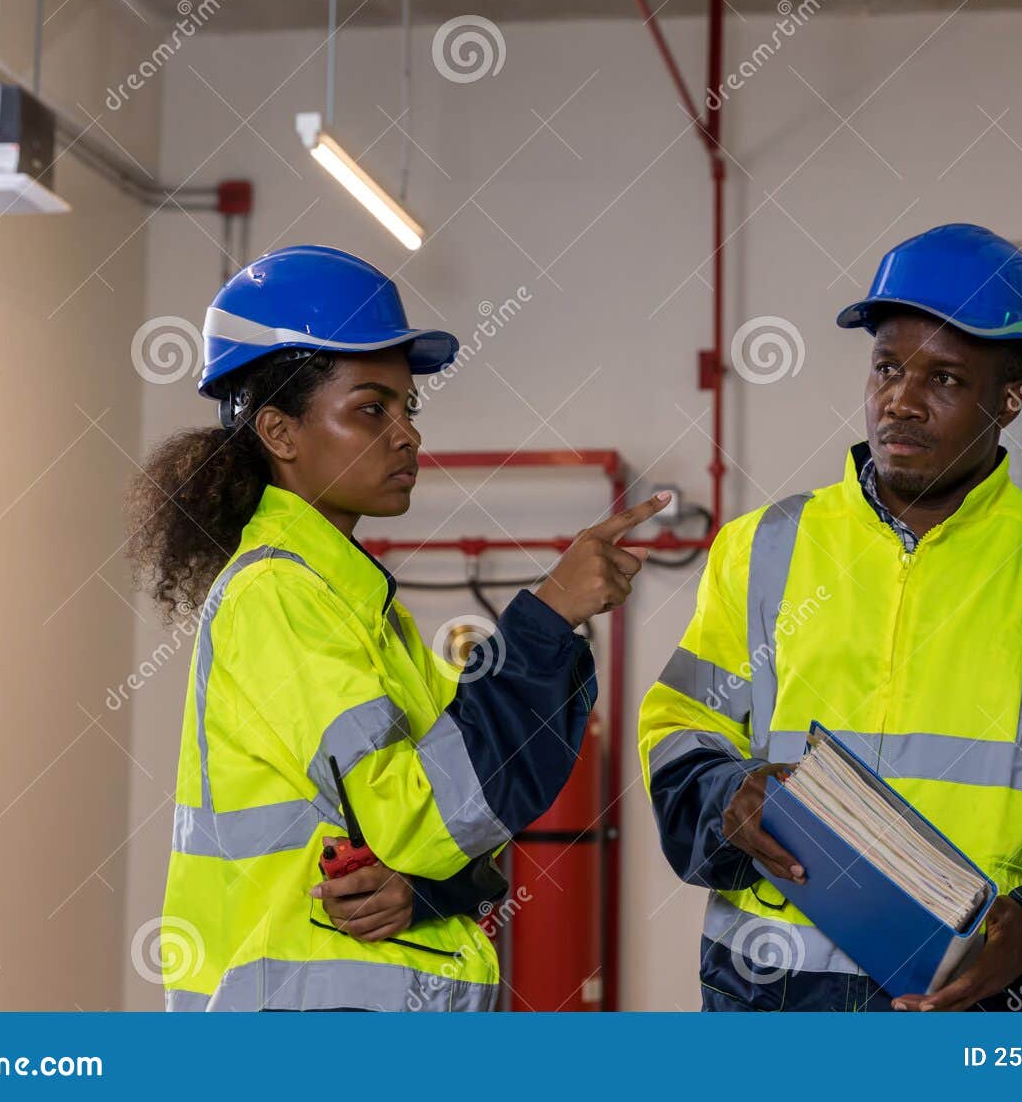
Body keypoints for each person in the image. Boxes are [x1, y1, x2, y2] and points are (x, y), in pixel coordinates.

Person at [638, 223, 1022, 1012]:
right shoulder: (760, 549)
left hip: (974, 1008)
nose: (901, 399)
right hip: (768, 1001)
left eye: (947, 379)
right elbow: (680, 727)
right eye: (887, 367)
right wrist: (727, 792)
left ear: (1012, 396)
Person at [128, 245, 667, 1011]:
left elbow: (464, 810)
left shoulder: (352, 603)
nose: (407, 435)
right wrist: (547, 615)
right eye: (370, 409)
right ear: (280, 432)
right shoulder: (278, 594)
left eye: (407, 409)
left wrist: (421, 886)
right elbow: (423, 814)